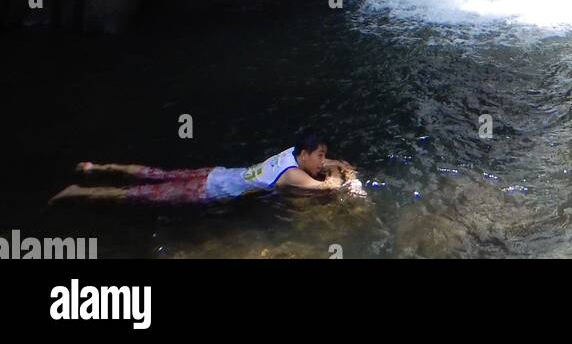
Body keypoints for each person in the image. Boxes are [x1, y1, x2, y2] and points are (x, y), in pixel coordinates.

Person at [51, 129, 363, 205]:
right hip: (209, 189)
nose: (323, 161)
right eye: (320, 156)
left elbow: (326, 164)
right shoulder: (294, 175)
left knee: (156, 174)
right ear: (306, 155)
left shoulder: (290, 155)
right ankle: (80, 191)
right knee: (143, 195)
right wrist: (340, 173)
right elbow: (328, 187)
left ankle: (98, 166)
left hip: (218, 172)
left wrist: (335, 162)